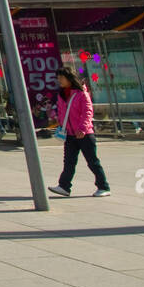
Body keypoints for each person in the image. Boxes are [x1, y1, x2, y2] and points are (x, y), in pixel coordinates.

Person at [49, 68, 110, 198]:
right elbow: (61, 112)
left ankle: (103, 186)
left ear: (69, 78)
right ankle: (64, 186)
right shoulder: (61, 95)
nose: (59, 80)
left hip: (84, 134)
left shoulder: (82, 93)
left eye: (61, 77)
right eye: (58, 77)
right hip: (70, 134)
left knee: (92, 161)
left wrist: (82, 128)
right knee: (69, 162)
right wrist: (60, 123)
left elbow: (88, 112)